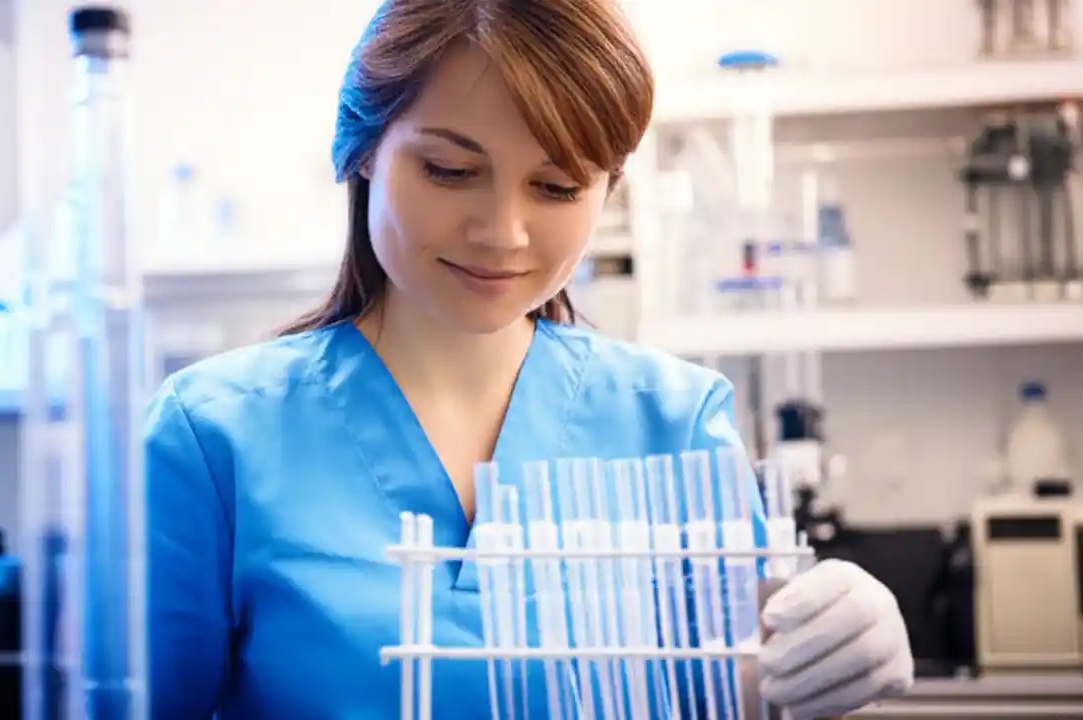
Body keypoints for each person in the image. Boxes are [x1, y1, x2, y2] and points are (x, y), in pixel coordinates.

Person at [144, 1, 914, 717]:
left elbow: (736, 687)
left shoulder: (675, 421)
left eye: (555, 185)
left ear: (606, 190)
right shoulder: (215, 437)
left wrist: (819, 658)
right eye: (450, 170)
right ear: (365, 149)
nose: (503, 231)